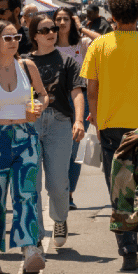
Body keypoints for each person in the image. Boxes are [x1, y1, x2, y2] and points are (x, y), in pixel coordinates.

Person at [80, 0, 138, 270]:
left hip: (111, 126)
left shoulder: (99, 46)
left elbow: (91, 89)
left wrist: (95, 119)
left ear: (113, 15)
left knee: (120, 189)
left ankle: (128, 251)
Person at [0, 20, 49, 274]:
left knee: (27, 193)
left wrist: (40, 106)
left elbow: (42, 94)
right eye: (8, 38)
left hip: (25, 135)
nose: (13, 42)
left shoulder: (27, 66)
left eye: (17, 37)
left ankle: (29, 249)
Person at [26, 13, 86, 249]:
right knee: (32, 183)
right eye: (44, 30)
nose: (51, 32)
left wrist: (79, 120)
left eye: (52, 28)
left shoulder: (67, 61)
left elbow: (77, 92)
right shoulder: (24, 62)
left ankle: (59, 220)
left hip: (60, 123)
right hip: (30, 124)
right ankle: (37, 234)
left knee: (58, 183)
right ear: (34, 36)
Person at [55, 6, 100, 208]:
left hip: (81, 100)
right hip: (57, 102)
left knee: (75, 151)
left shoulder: (81, 44)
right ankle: (59, 191)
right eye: (58, 19)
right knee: (59, 151)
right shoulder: (49, 44)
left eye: (66, 19)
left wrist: (81, 28)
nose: (62, 23)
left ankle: (69, 194)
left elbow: (101, 41)